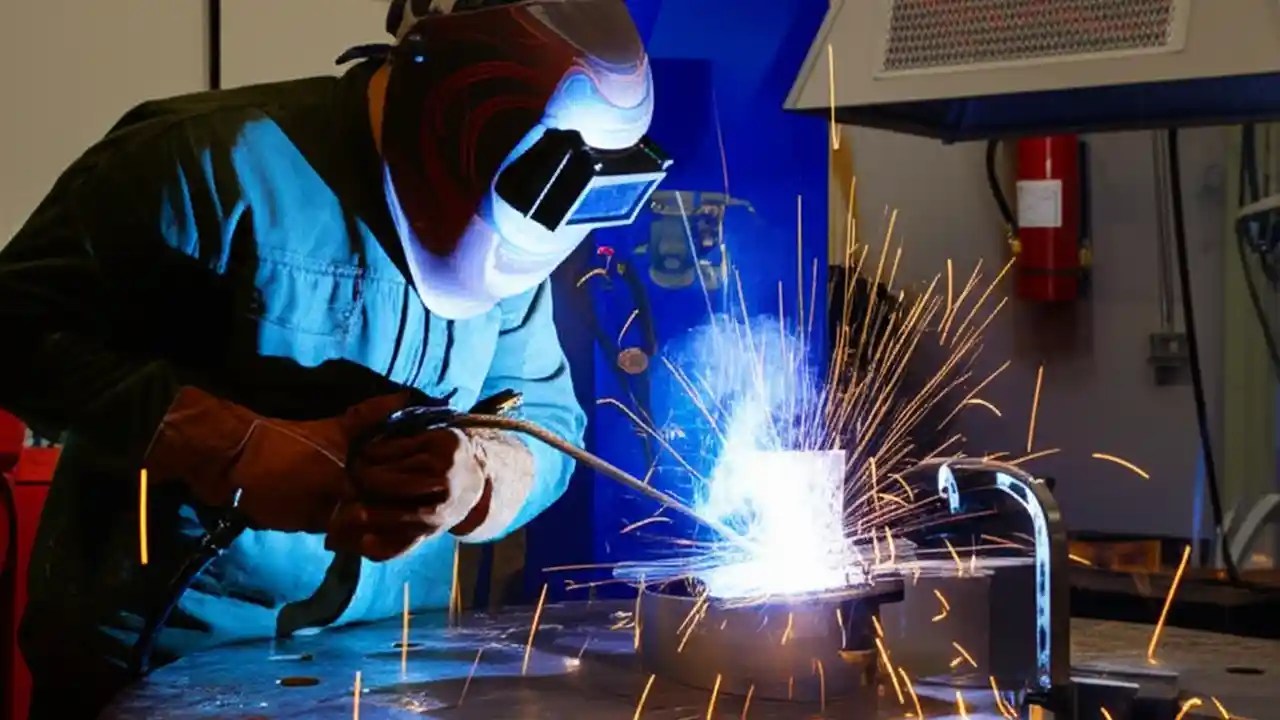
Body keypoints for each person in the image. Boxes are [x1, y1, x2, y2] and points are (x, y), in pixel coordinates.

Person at [0, 0, 663, 715]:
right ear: (447, 110)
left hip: (392, 671)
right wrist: (230, 445)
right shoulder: (206, 162)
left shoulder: (526, 239)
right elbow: (15, 328)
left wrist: (480, 477)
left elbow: (549, 419)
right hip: (157, 668)